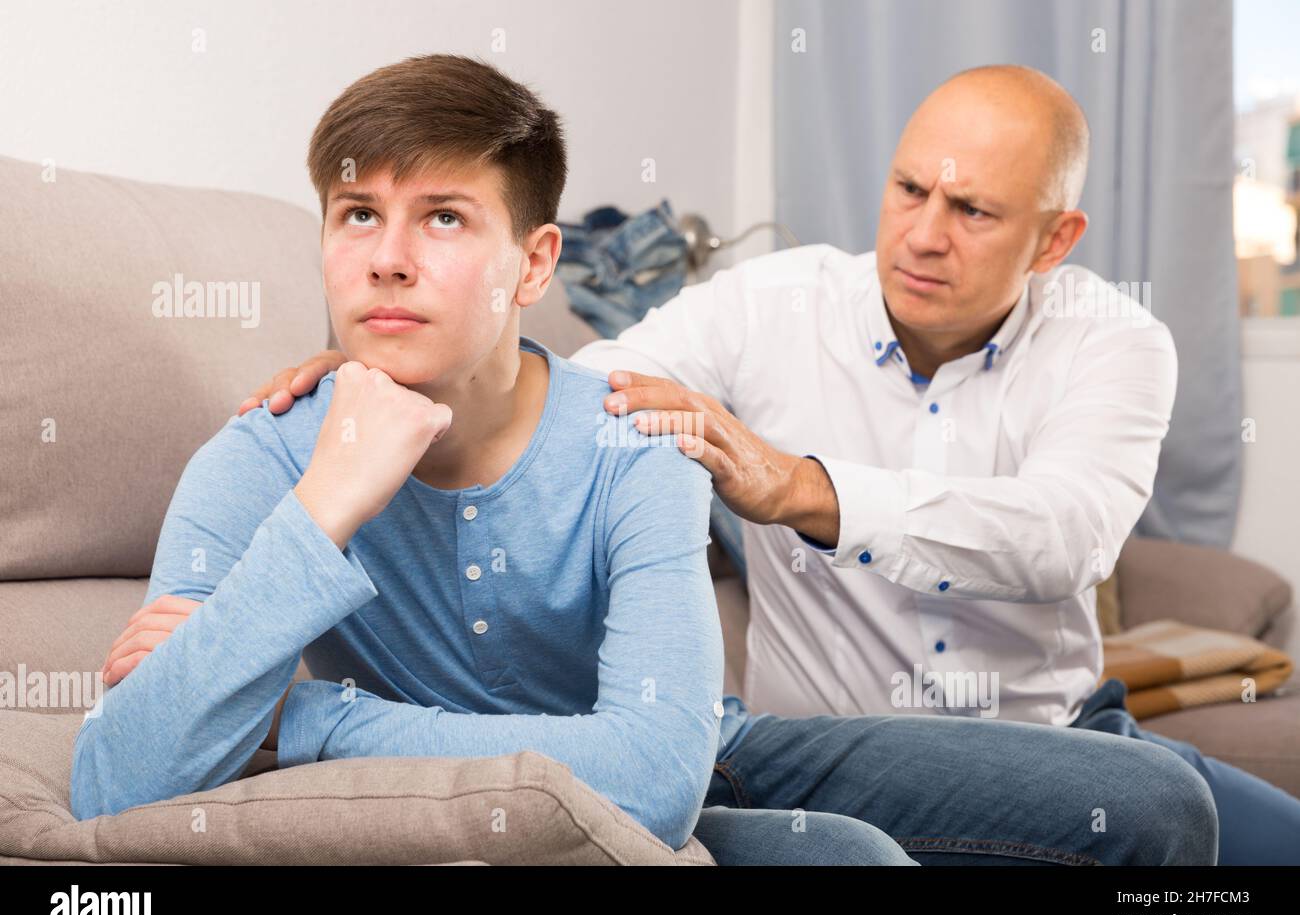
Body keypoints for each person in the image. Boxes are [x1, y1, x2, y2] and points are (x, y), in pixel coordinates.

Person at [90, 55, 1218, 865]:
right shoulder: (256, 458)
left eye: (440, 219)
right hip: (628, 763)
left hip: (728, 742)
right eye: (353, 216)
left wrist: (303, 718)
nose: (386, 260)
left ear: (535, 264)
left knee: (1164, 808)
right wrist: (333, 474)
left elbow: (655, 768)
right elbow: (108, 786)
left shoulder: (639, 445)